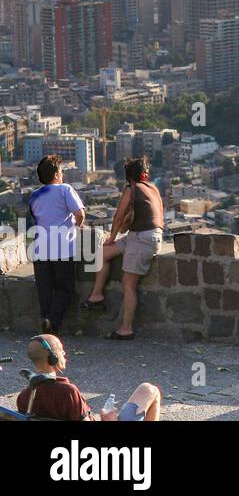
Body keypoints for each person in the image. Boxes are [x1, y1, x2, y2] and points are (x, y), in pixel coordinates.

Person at [82, 157, 165, 340]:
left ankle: (125, 329)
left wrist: (111, 238)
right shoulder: (154, 188)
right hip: (141, 235)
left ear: (129, 177)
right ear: (145, 174)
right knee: (101, 254)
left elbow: (118, 217)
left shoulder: (131, 188)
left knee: (129, 284)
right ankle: (96, 296)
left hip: (142, 238)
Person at [14, 334, 161, 421]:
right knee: (149, 390)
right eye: (61, 350)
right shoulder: (68, 392)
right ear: (53, 358)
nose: (64, 353)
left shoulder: (24, 396)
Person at [27, 155, 85, 335]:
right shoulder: (64, 190)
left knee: (45, 290)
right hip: (61, 247)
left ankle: (47, 324)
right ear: (57, 174)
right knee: (65, 288)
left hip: (39, 248)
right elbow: (79, 213)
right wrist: (77, 225)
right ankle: (53, 322)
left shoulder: (35, 195)